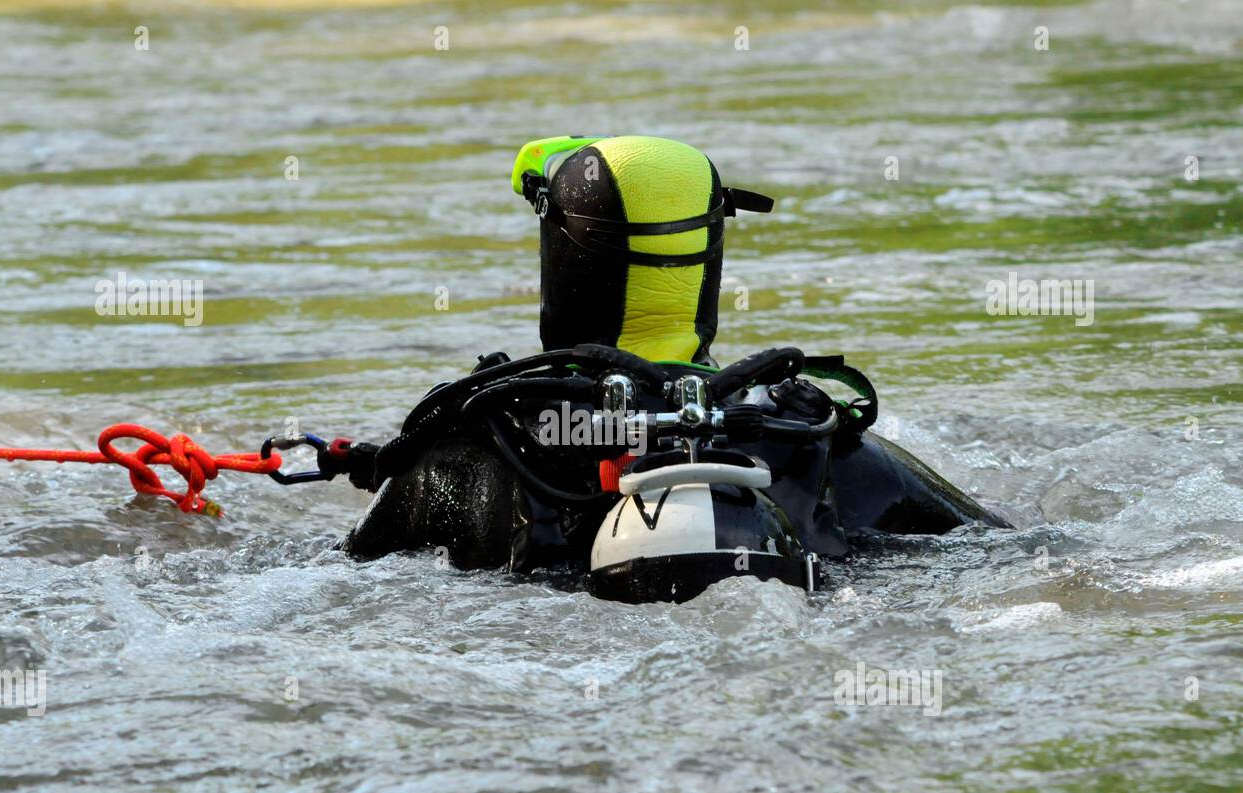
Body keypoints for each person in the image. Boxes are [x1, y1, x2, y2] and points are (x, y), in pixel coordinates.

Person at [339, 135, 1008, 587]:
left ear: (563, 261)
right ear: (708, 255)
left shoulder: (473, 450)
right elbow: (1013, 551)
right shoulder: (812, 440)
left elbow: (340, 574)